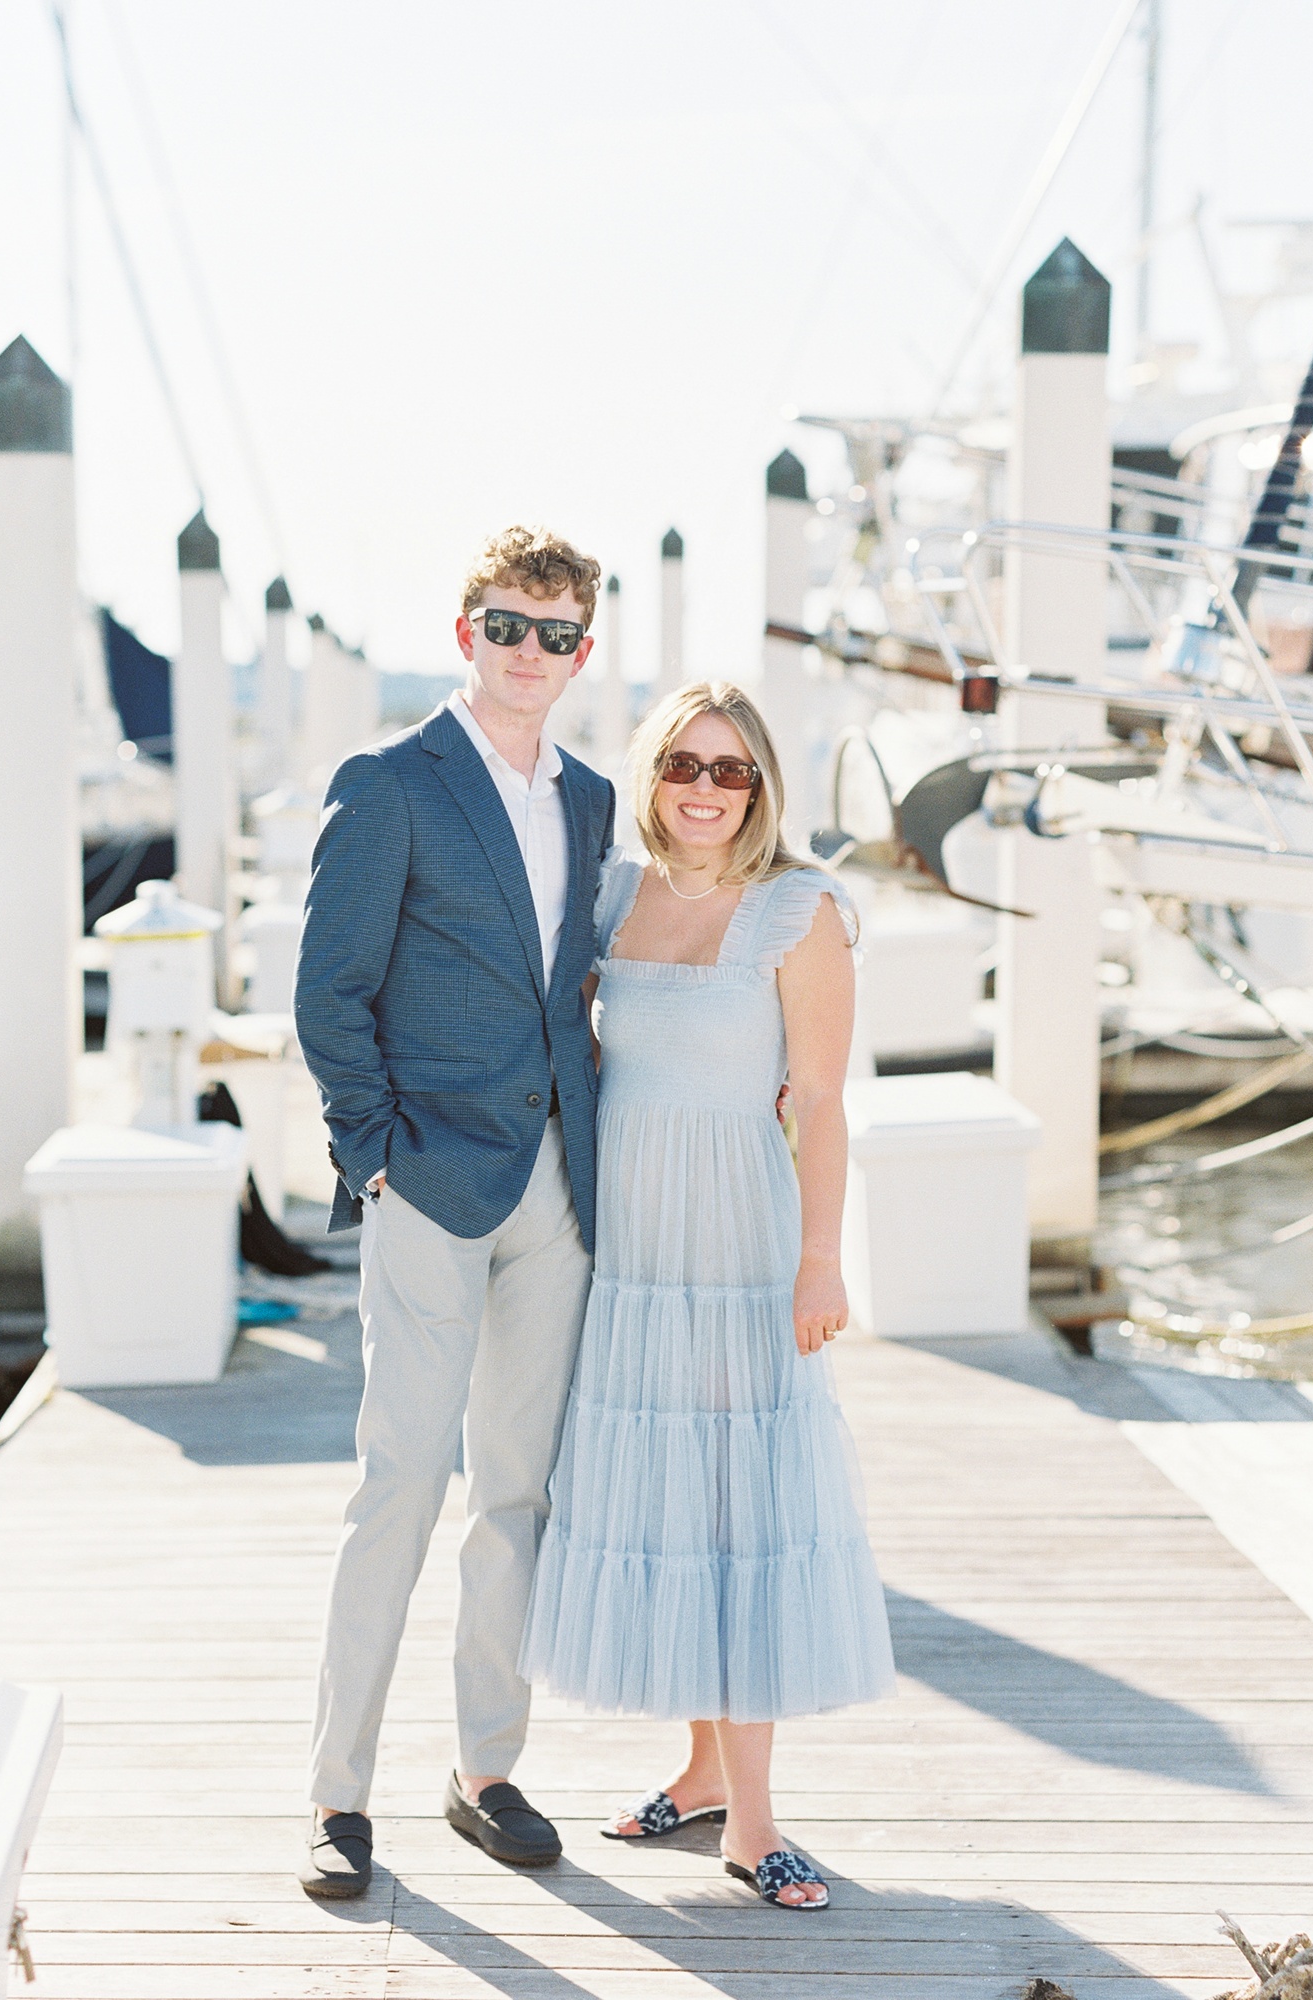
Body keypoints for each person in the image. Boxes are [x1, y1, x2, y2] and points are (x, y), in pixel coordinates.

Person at [521, 679, 896, 1911]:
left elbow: (825, 1101)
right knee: (672, 1500)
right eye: (684, 760)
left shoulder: (802, 907)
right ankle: (694, 1768)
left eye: (731, 769)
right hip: (630, 1250)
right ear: (652, 771)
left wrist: (822, 1258)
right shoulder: (613, 895)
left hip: (740, 1242)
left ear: (762, 784)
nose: (704, 786)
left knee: (741, 1505)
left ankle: (755, 1819)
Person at [293, 526, 615, 1898]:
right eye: (505, 625)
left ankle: (486, 1768)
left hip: (557, 1184)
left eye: (554, 634)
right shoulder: (391, 783)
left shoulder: (594, 798)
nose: (527, 654)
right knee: (403, 1484)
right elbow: (328, 993)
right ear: (466, 630)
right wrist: (374, 1156)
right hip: (427, 1181)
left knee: (519, 1494)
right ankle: (334, 1797)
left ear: (583, 651)